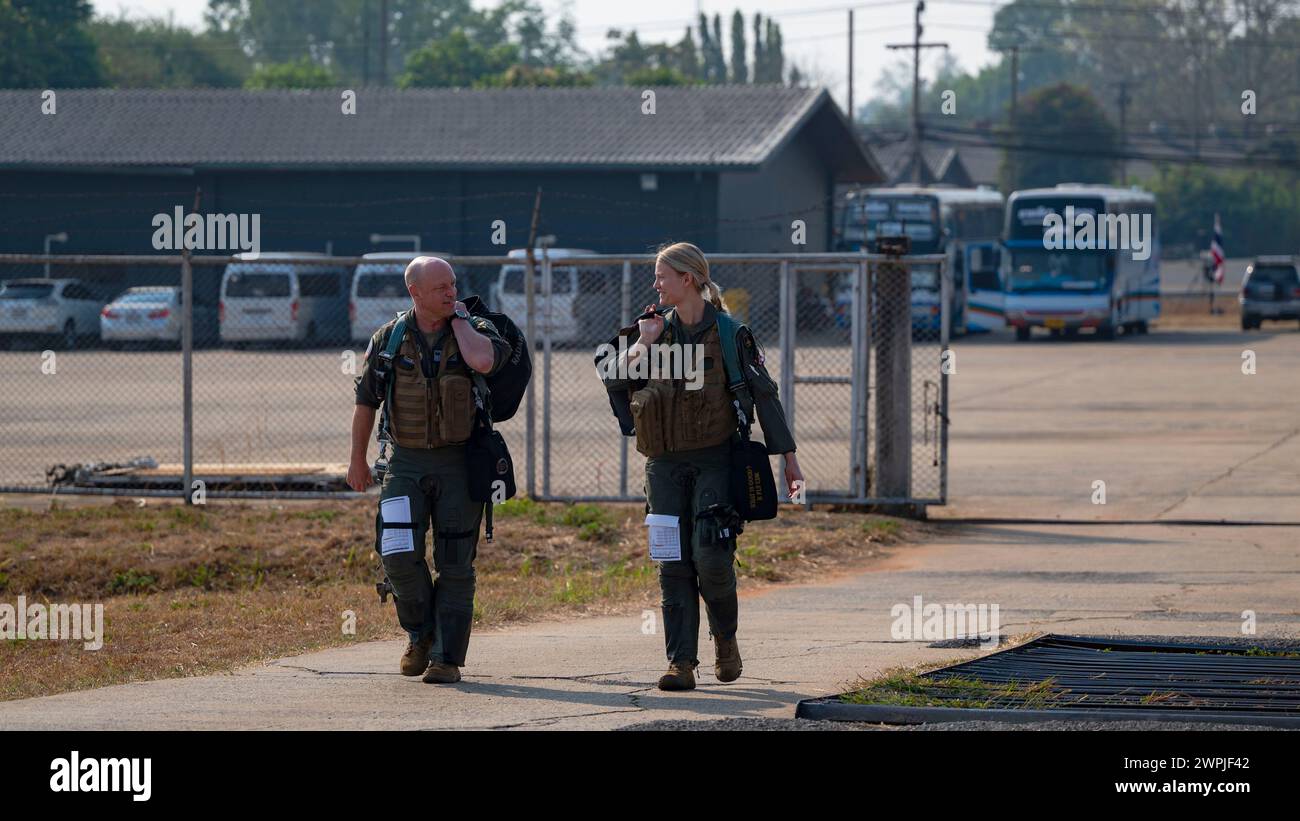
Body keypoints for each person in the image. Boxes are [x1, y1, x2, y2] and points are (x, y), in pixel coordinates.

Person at [609, 241, 803, 691]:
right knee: (672, 562)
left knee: (712, 556)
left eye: (662, 276)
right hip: (662, 464)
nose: (655, 284)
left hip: (716, 459)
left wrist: (789, 459)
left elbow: (764, 395)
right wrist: (644, 341)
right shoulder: (652, 330)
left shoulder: (732, 334)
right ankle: (681, 663)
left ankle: (726, 642)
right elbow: (613, 376)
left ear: (688, 279)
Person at [348, 256, 511, 684]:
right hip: (405, 462)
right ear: (414, 292)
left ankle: (446, 658)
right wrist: (356, 460)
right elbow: (366, 401)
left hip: (460, 463)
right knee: (398, 554)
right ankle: (420, 634)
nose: (450, 292)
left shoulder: (477, 330)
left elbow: (483, 362)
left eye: (453, 285)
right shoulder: (390, 338)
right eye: (440, 288)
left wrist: (460, 321)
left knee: (456, 564)